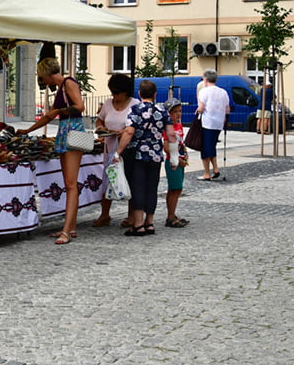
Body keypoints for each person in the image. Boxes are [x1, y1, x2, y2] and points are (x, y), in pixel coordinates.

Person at [18, 57, 86, 245]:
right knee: (69, 183)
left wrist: (59, 112)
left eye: (42, 77)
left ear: (46, 74)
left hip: (72, 131)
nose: (43, 81)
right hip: (67, 132)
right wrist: (28, 130)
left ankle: (67, 230)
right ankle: (70, 227)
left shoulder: (68, 83)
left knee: (71, 184)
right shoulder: (62, 87)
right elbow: (48, 116)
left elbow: (80, 106)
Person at [114, 80, 176, 237]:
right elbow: (171, 135)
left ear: (139, 94)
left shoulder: (135, 109)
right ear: (155, 94)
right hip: (156, 155)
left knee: (138, 187)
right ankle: (149, 222)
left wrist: (118, 152)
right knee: (152, 187)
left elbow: (129, 132)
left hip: (138, 155)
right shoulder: (163, 110)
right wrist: (174, 157)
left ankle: (138, 224)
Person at [92, 73, 138, 228]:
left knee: (130, 180)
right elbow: (100, 119)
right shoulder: (107, 104)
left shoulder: (135, 104)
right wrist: (101, 127)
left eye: (117, 92)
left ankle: (131, 215)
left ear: (126, 92)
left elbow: (138, 126)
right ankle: (104, 214)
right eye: (112, 92)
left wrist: (125, 131)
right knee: (107, 180)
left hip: (129, 149)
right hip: (110, 147)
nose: (114, 96)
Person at [195, 69, 230, 181]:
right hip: (219, 123)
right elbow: (227, 109)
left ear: (205, 79)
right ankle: (215, 169)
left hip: (207, 122)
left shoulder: (204, 91)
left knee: (205, 148)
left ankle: (207, 173)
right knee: (211, 146)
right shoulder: (223, 92)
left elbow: (201, 108)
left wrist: (197, 111)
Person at [163, 98, 189, 228]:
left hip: (180, 160)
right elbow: (166, 147)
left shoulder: (179, 126)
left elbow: (180, 143)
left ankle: (172, 214)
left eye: (180, 111)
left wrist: (185, 154)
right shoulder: (167, 128)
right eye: (175, 112)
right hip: (173, 161)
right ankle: (170, 216)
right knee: (175, 188)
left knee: (177, 189)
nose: (178, 114)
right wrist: (178, 159)